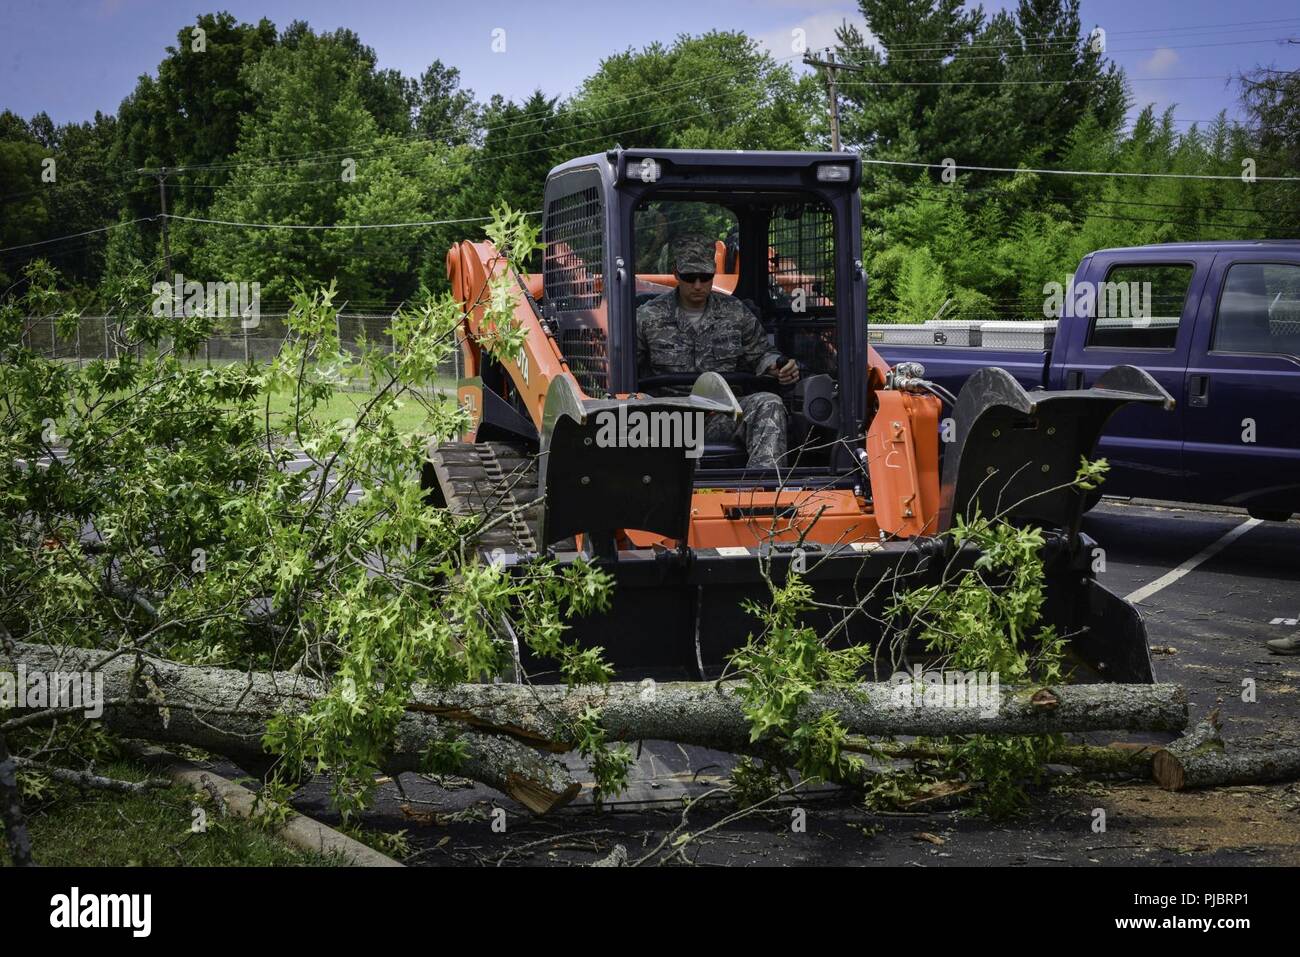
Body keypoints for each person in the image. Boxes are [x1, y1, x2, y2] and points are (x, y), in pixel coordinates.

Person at [636, 234, 799, 469]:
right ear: (676, 274)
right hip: (667, 418)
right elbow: (626, 369)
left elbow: (761, 353)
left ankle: (762, 492)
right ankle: (681, 499)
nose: (698, 285)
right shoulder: (647, 316)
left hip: (720, 414)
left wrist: (777, 366)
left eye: (705, 277)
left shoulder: (735, 312)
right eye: (690, 278)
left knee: (769, 403)